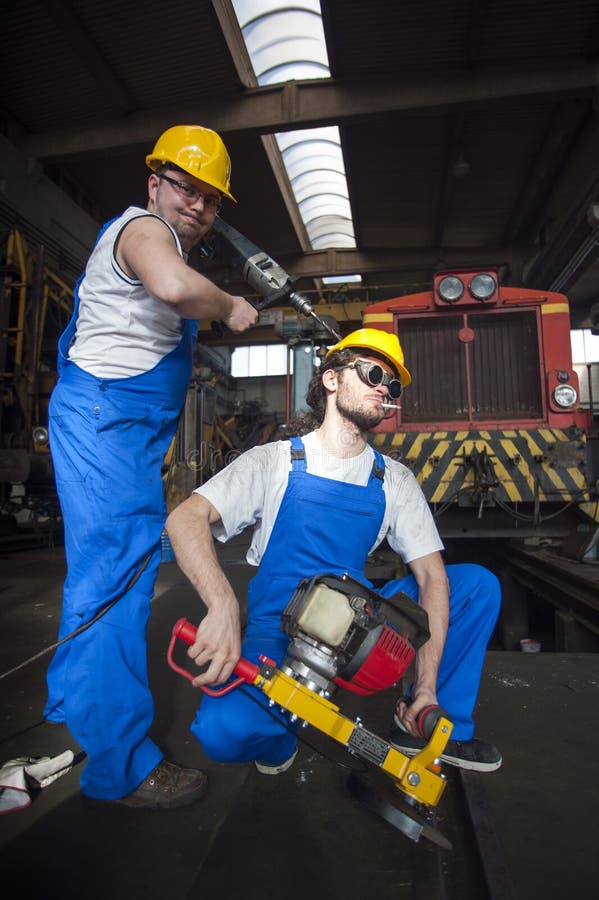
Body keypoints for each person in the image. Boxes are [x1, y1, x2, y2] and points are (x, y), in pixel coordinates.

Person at [165, 327, 502, 775]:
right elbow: (185, 519)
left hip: (360, 628)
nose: (384, 389)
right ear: (331, 379)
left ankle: (426, 722)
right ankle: (278, 742)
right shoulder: (274, 461)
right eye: (373, 374)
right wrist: (222, 604)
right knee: (222, 732)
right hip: (280, 632)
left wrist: (426, 685)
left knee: (475, 586)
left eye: (392, 385)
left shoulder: (393, 479)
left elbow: (431, 577)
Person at [43, 125, 258, 807]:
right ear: (154, 183)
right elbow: (170, 286)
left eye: (210, 199)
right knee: (119, 577)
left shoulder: (160, 236)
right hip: (106, 423)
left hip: (117, 428)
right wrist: (229, 304)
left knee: (99, 572)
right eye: (185, 188)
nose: (197, 205)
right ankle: (122, 767)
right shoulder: (144, 231)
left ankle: (74, 700)